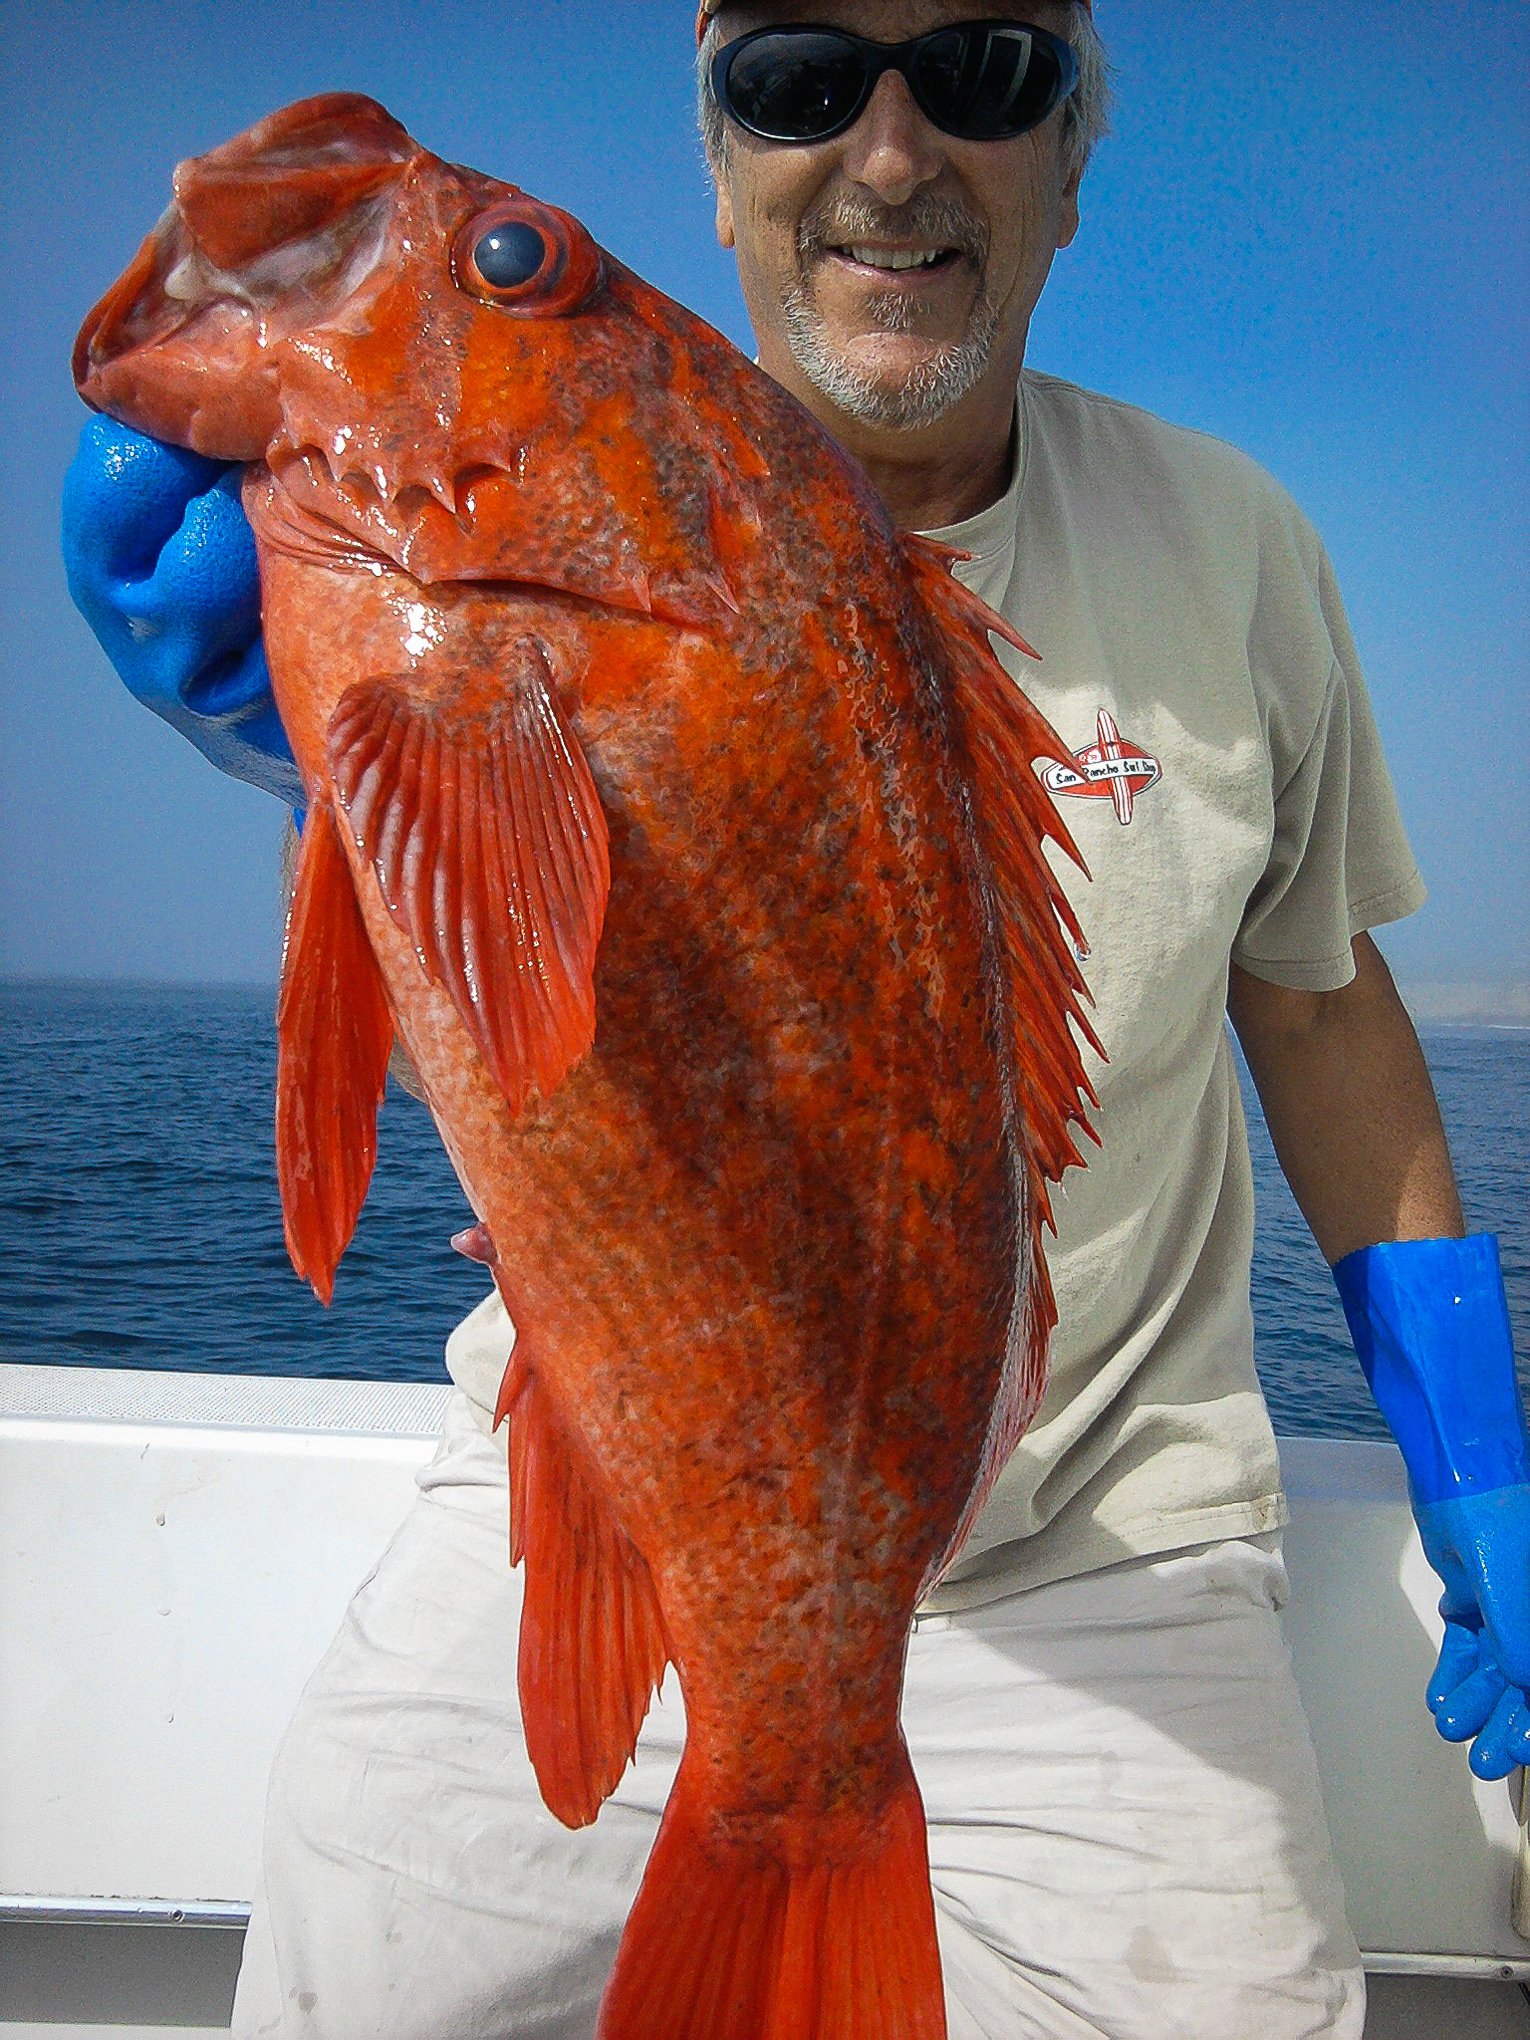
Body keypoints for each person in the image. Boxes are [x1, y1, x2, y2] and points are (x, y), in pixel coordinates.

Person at [63, 4, 1529, 2036]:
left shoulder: (1235, 546)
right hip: (592, 1463)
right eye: (801, 80)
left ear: (1080, 158)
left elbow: (1331, 1015)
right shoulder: (556, 547)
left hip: (1114, 1547)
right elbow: (486, 905)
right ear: (722, 160)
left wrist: (1473, 1453)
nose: (896, 151)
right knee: (349, 1987)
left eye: (989, 74)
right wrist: (300, 734)